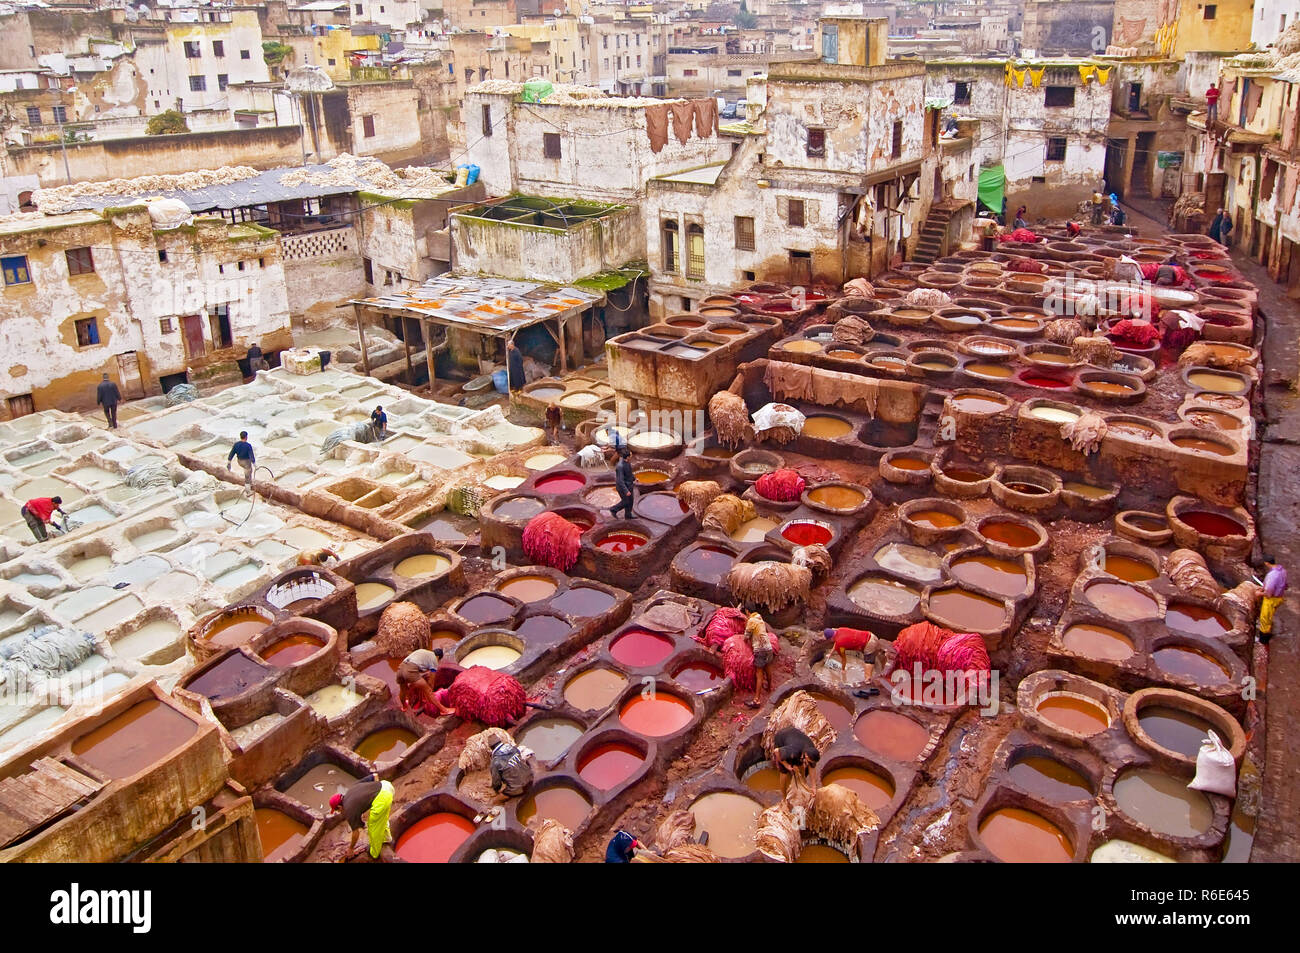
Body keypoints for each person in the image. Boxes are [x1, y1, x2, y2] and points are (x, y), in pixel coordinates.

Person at [329, 774, 394, 860]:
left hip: (383, 798)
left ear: (339, 807)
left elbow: (356, 833)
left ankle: (374, 854)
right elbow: (374, 776)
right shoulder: (351, 790)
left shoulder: (349, 810)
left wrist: (351, 849)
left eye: (337, 810)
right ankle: (387, 839)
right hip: (386, 786)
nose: (340, 812)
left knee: (373, 827)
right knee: (381, 818)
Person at [397, 647, 463, 715]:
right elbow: (431, 680)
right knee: (428, 691)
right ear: (438, 657)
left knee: (403, 690)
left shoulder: (422, 651)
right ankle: (444, 710)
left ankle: (404, 707)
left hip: (400, 669)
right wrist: (429, 693)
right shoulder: (434, 659)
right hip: (410, 671)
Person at [771, 726, 820, 792]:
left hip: (794, 736)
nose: (809, 763)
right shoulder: (793, 751)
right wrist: (786, 765)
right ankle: (784, 797)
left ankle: (801, 785)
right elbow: (776, 751)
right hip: (782, 737)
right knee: (784, 772)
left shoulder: (811, 748)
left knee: (799, 765)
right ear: (806, 756)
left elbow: (812, 767)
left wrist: (813, 787)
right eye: (809, 761)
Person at [746, 611, 773, 709]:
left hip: (760, 650)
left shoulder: (751, 620)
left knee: (759, 674)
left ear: (747, 612)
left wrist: (744, 641)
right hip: (769, 648)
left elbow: (746, 636)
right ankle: (769, 688)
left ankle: (756, 700)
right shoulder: (761, 620)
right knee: (769, 668)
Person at [1259, 556, 1288, 645]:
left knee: (1265, 618)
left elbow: (1268, 592)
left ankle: (1264, 640)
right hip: (1279, 597)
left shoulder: (1272, 575)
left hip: (1271, 600)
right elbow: (1286, 585)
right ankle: (1267, 631)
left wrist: (1259, 593)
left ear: (1267, 563)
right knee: (1270, 615)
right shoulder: (1283, 571)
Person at [608, 445, 635, 519]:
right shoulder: (620, 466)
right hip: (623, 488)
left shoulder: (628, 462)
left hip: (629, 485)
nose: (632, 456)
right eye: (631, 455)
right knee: (626, 501)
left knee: (631, 501)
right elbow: (620, 481)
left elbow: (629, 473)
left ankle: (628, 515)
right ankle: (613, 509)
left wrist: (634, 478)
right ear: (628, 457)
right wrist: (626, 491)